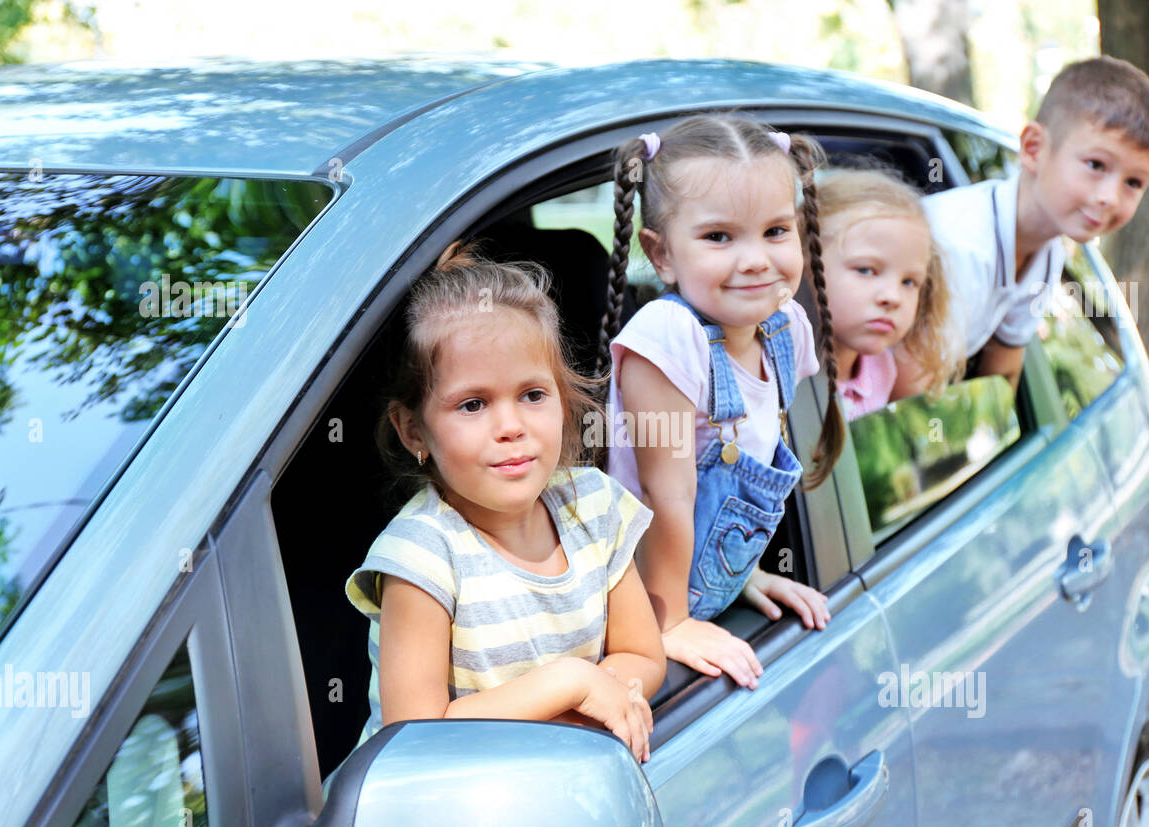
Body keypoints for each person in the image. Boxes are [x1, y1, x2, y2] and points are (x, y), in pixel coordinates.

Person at [344, 242, 665, 763]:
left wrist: (601, 697)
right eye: (473, 404)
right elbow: (415, 737)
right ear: (412, 430)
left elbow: (642, 654)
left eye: (533, 395)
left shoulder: (595, 507)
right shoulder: (422, 557)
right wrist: (570, 685)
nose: (511, 426)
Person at [598, 113, 842, 691]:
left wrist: (741, 572)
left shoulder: (784, 328)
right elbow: (668, 492)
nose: (755, 259)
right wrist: (672, 620)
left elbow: (749, 447)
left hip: (708, 581)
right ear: (661, 255)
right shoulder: (667, 338)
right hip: (637, 603)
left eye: (776, 231)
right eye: (718, 237)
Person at [892, 55, 1149, 399]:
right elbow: (907, 394)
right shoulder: (957, 247)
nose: (1110, 198)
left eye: (1134, 182)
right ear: (1034, 149)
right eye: (1096, 164)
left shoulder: (1048, 253)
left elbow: (1004, 370)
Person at [818, 167, 959, 419]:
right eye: (866, 270)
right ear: (806, 262)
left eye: (909, 282)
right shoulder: (769, 371)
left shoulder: (882, 369)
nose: (893, 297)